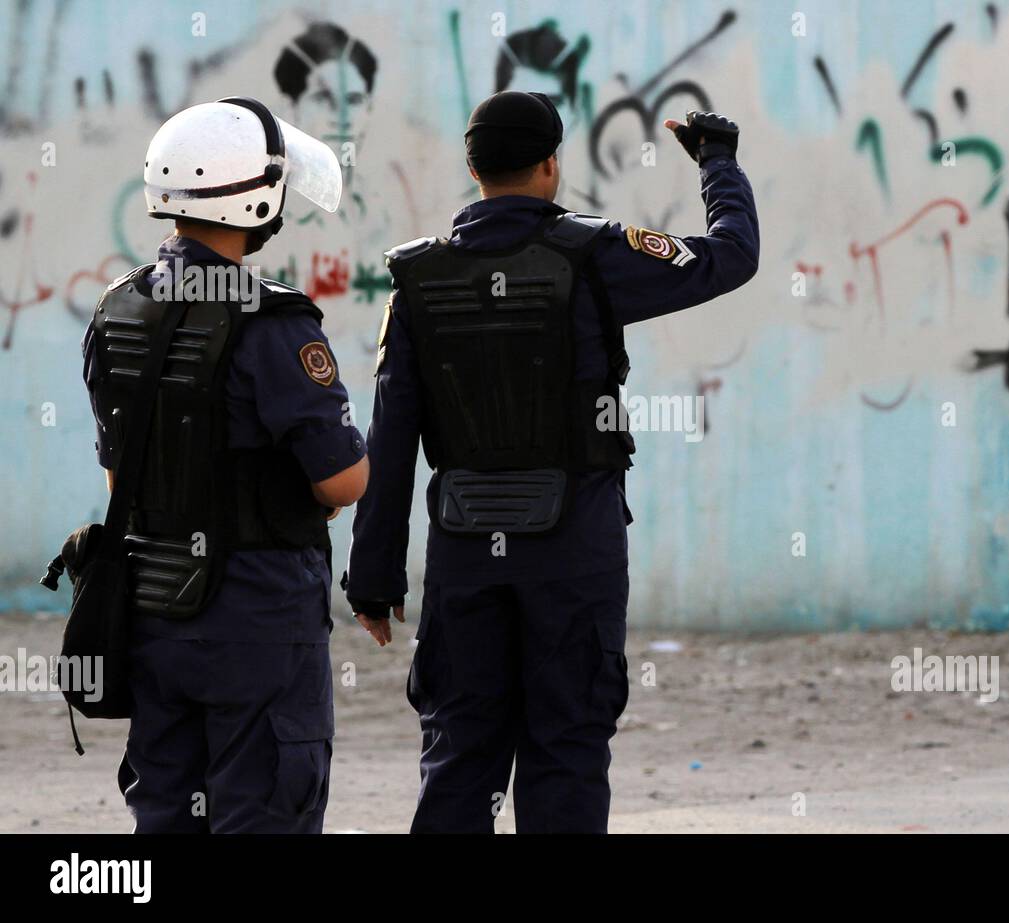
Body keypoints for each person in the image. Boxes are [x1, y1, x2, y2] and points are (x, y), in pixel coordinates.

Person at [345, 91, 758, 833]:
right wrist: (718, 163)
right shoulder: (596, 255)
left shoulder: (416, 281)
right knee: (565, 748)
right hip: (575, 547)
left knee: (460, 759)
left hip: (465, 551)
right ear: (550, 165)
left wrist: (373, 576)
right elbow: (730, 257)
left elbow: (391, 437)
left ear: (472, 168)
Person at [81, 96, 368, 833]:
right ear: (258, 198)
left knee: (166, 811)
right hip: (258, 613)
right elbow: (341, 480)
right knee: (266, 806)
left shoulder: (117, 307)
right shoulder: (273, 320)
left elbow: (122, 480)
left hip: (153, 604)